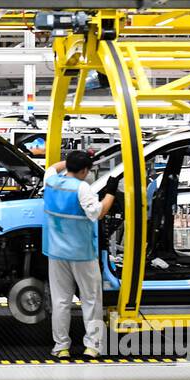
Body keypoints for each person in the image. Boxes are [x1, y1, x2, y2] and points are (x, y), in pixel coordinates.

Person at [43, 149, 117, 358]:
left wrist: (70, 161)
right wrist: (110, 193)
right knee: (91, 300)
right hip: (82, 254)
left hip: (56, 252)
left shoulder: (50, 181)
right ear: (85, 170)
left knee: (60, 301)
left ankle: (61, 347)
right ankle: (92, 346)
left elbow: (52, 168)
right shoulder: (82, 188)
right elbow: (98, 212)